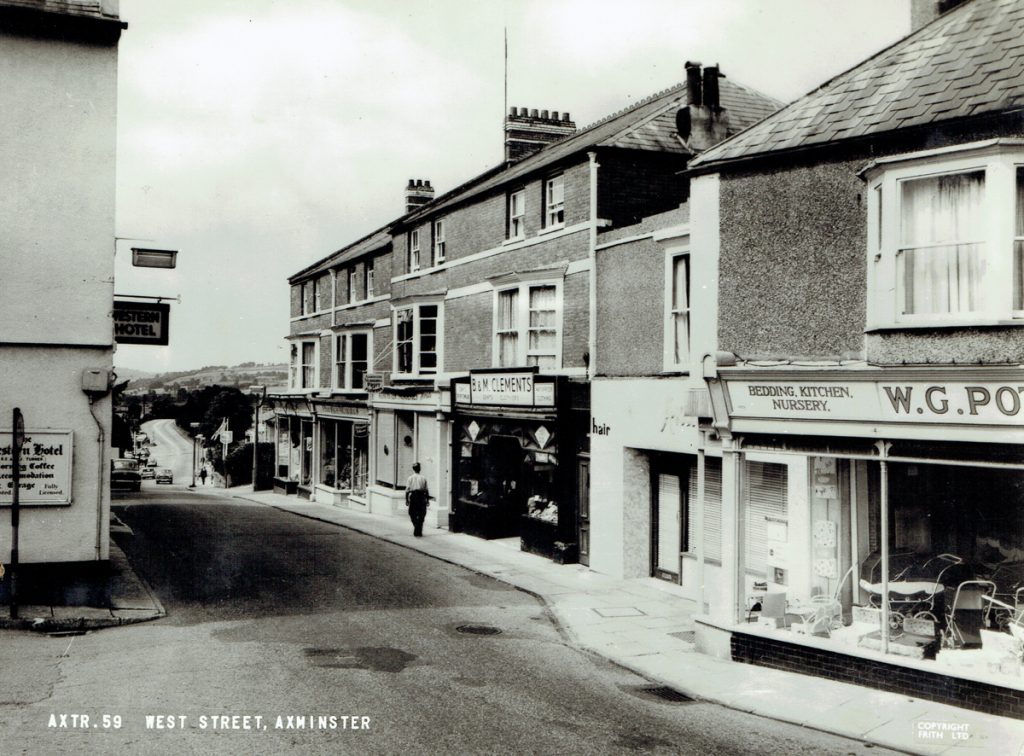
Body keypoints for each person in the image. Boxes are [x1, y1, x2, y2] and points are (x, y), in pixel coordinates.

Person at [405, 462, 430, 537]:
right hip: (421, 496)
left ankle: (416, 527)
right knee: (421, 513)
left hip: (414, 496)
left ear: (413, 469)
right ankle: (418, 528)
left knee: (412, 512)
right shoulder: (423, 478)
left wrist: (406, 500)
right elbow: (426, 490)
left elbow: (407, 490)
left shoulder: (410, 478)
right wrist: (427, 500)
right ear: (420, 469)